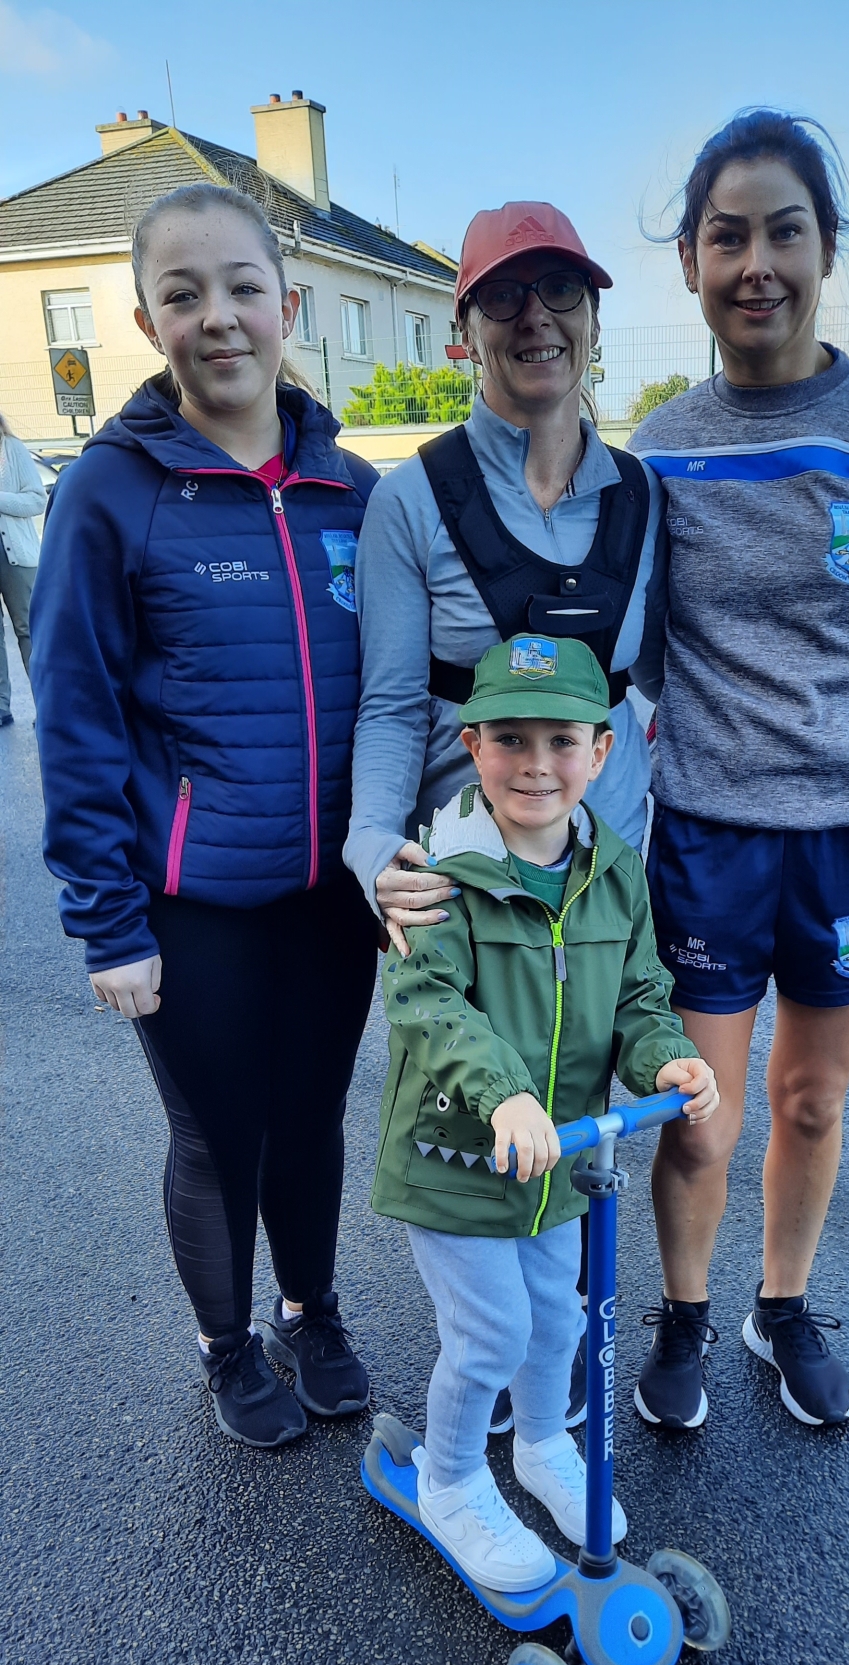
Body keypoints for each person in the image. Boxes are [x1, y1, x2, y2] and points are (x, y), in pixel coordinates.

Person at [627, 110, 849, 1432]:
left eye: (786, 230)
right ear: (690, 260)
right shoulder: (659, 448)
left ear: (827, 248)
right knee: (701, 1113)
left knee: (812, 1101)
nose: (757, 261)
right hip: (711, 835)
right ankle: (682, 1319)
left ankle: (782, 1309)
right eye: (729, 235)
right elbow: (641, 649)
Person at [30, 182, 381, 1448]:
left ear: (288, 304)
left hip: (333, 900)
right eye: (184, 296)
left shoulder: (351, 489)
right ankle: (228, 1343)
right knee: (220, 1132)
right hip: (191, 907)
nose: (218, 318)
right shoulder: (113, 494)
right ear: (146, 319)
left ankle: (313, 1306)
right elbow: (70, 717)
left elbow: (397, 696)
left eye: (242, 287)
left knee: (315, 1115)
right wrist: (107, 922)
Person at [345, 199, 666, 1428]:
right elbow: (385, 708)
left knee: (583, 1116)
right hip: (467, 884)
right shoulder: (412, 499)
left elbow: (663, 695)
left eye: (561, 293)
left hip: (599, 870)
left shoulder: (641, 500)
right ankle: (478, 1370)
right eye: (504, 298)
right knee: (479, 1120)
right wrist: (377, 852)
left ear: (592, 319)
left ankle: (548, 1370)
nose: (536, 319)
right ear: (463, 328)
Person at [370, 634, 717, 1587]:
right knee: (491, 1335)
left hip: (560, 1164)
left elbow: (641, 997)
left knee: (557, 1325)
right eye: (510, 741)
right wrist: (507, 1094)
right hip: (458, 1163)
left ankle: (537, 1449)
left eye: (561, 741)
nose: (536, 765)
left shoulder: (614, 871)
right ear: (473, 746)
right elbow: (430, 1008)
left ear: (600, 754)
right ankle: (448, 1480)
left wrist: (672, 1057)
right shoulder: (437, 876)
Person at [0, 412, 46, 724]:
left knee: (30, 630)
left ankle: (47, 704)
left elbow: (36, 500)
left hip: (14, 554)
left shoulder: (12, 450)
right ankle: (1, 706)